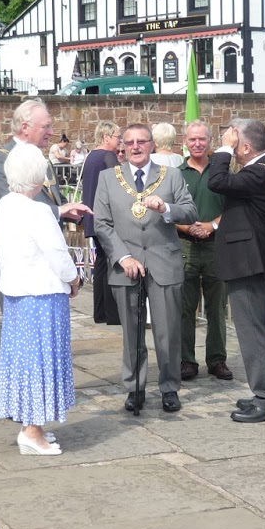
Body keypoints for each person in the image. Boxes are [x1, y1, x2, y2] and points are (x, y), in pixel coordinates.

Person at [94, 123, 198, 414]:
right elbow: (102, 223)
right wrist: (123, 257)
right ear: (122, 147)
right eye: (130, 142)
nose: (136, 147)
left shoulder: (172, 175)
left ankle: (169, 387)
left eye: (142, 141)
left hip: (164, 261)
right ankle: (134, 388)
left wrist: (166, 208)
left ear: (152, 145)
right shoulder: (108, 178)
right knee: (131, 332)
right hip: (126, 264)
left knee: (167, 330)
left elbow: (190, 211)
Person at [0, 143, 82, 454]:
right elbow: (57, 253)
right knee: (41, 361)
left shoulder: (5, 205)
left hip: (17, 294)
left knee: (24, 361)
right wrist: (73, 278)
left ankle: (30, 425)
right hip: (42, 295)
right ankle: (32, 430)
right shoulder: (38, 210)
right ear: (39, 177)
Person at [209, 118, 265, 423]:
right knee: (251, 331)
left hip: (250, 262)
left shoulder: (260, 171)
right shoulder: (259, 171)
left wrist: (223, 150)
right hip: (247, 260)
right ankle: (264, 393)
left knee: (254, 332)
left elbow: (216, 182)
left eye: (233, 140)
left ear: (244, 145)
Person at [0, 98, 91, 284]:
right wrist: (60, 211)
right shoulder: (3, 159)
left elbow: (52, 197)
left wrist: (72, 209)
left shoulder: (39, 157)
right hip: (20, 264)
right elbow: (15, 207)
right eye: (46, 127)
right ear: (26, 127)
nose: (52, 132)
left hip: (48, 264)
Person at [175, 120, 231, 382]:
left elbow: (233, 210)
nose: (197, 144)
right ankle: (186, 360)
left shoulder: (221, 173)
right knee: (184, 308)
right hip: (184, 246)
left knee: (217, 308)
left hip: (216, 247)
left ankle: (217, 359)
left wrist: (212, 225)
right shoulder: (176, 174)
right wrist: (187, 228)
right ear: (184, 142)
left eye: (202, 139)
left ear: (210, 141)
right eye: (192, 139)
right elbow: (166, 211)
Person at [77, 121, 122, 327]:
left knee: (101, 264)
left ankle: (100, 312)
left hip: (92, 217)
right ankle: (112, 314)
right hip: (106, 218)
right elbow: (119, 184)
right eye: (117, 137)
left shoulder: (90, 157)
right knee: (112, 264)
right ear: (106, 137)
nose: (120, 141)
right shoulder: (108, 156)